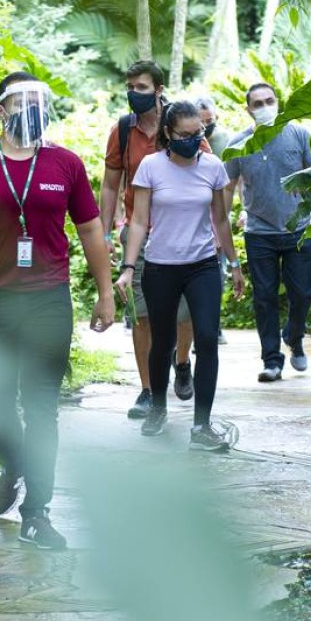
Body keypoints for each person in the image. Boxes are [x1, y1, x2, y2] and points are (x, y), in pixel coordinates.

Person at [0, 72, 115, 551]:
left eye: (39, 100)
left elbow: (92, 231)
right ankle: (12, 464)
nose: (31, 108)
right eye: (21, 101)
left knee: (42, 410)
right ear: (1, 110)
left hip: (48, 302)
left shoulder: (65, 164)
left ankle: (38, 513)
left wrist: (106, 292)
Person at [116, 100, 244, 450]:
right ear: (169, 134)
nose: (192, 140)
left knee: (206, 339)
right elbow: (139, 221)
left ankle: (201, 426)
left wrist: (234, 265)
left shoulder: (213, 167)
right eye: (184, 134)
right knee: (162, 342)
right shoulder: (151, 167)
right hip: (160, 267)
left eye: (197, 133)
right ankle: (158, 407)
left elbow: (220, 220)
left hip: (202, 265)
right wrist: (128, 268)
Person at [100, 61, 208, 418]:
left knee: (185, 314)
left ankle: (181, 363)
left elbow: (208, 172)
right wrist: (105, 231)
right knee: (142, 315)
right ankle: (147, 390)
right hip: (139, 231)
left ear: (159, 90)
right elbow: (111, 183)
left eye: (142, 87)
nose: (134, 92)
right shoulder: (123, 130)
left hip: (182, 232)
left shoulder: (182, 122)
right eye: (130, 85)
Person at [223, 82, 311, 383]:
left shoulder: (300, 134)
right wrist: (219, 225)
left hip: (298, 229)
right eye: (258, 103)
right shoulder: (239, 144)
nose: (264, 107)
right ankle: (272, 361)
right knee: (264, 297)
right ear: (248, 109)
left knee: (303, 293)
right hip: (259, 232)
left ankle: (294, 335)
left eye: (269, 100)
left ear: (278, 101)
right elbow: (227, 187)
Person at [194, 94, 234, 345]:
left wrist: (221, 228)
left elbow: (228, 187)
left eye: (211, 120)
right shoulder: (181, 142)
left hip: (214, 218)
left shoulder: (224, 141)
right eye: (203, 121)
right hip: (191, 219)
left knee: (214, 278)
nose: (208, 125)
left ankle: (212, 327)